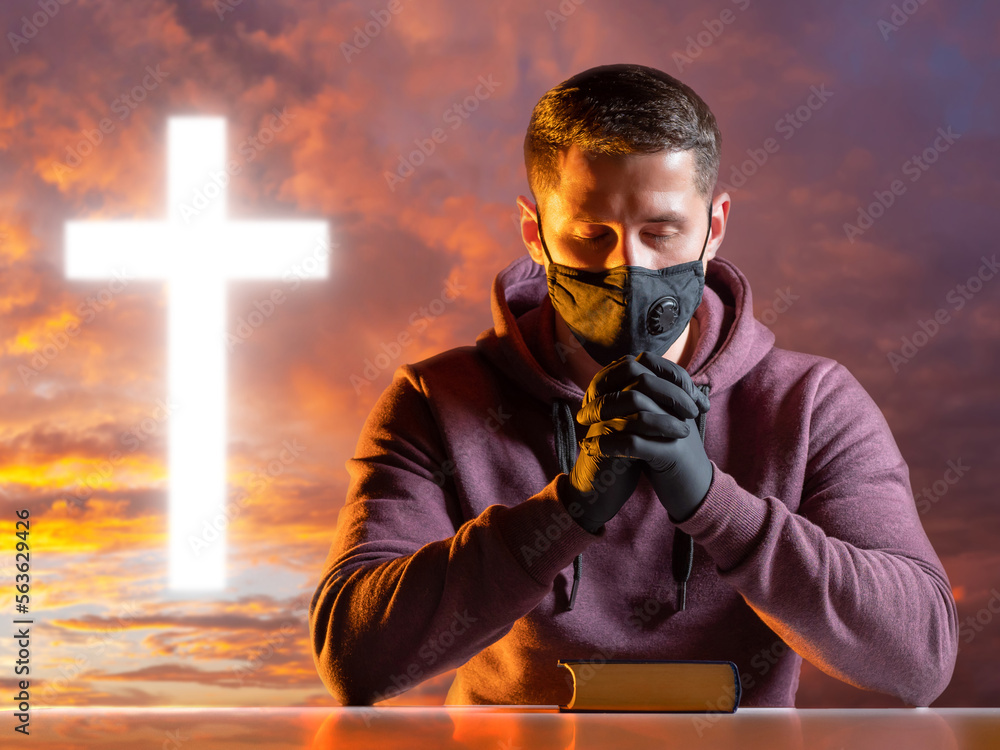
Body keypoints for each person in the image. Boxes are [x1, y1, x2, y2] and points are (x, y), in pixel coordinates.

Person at [308, 63, 959, 708]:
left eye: (662, 232)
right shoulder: (435, 401)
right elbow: (355, 658)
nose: (630, 266)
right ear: (535, 233)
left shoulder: (813, 404)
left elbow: (919, 660)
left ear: (715, 227)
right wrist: (567, 510)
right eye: (591, 235)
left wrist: (713, 503)